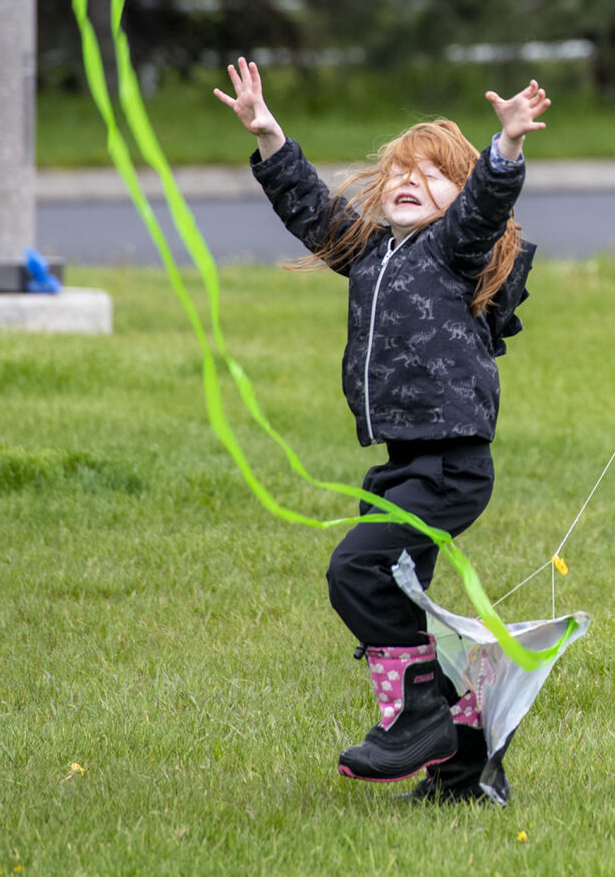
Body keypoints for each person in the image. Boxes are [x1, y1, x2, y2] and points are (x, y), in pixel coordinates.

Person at [213, 57, 550, 798]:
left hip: (450, 467)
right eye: (400, 168)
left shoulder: (451, 251)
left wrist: (506, 151)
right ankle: (464, 772)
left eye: (431, 175)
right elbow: (308, 207)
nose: (407, 178)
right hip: (401, 465)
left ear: (456, 200)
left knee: (357, 571)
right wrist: (269, 135)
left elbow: (485, 209)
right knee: (394, 602)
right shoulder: (369, 250)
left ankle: (419, 718)